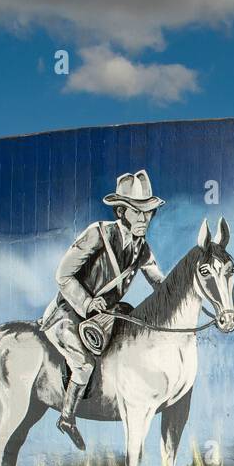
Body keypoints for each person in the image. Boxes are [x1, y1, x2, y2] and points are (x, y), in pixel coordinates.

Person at [39, 169, 166, 450]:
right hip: (70, 314)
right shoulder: (97, 234)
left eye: (149, 213)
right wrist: (86, 302)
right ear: (121, 212)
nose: (145, 219)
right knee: (83, 364)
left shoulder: (142, 249)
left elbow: (160, 281)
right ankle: (67, 417)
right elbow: (63, 274)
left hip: (104, 319)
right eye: (137, 212)